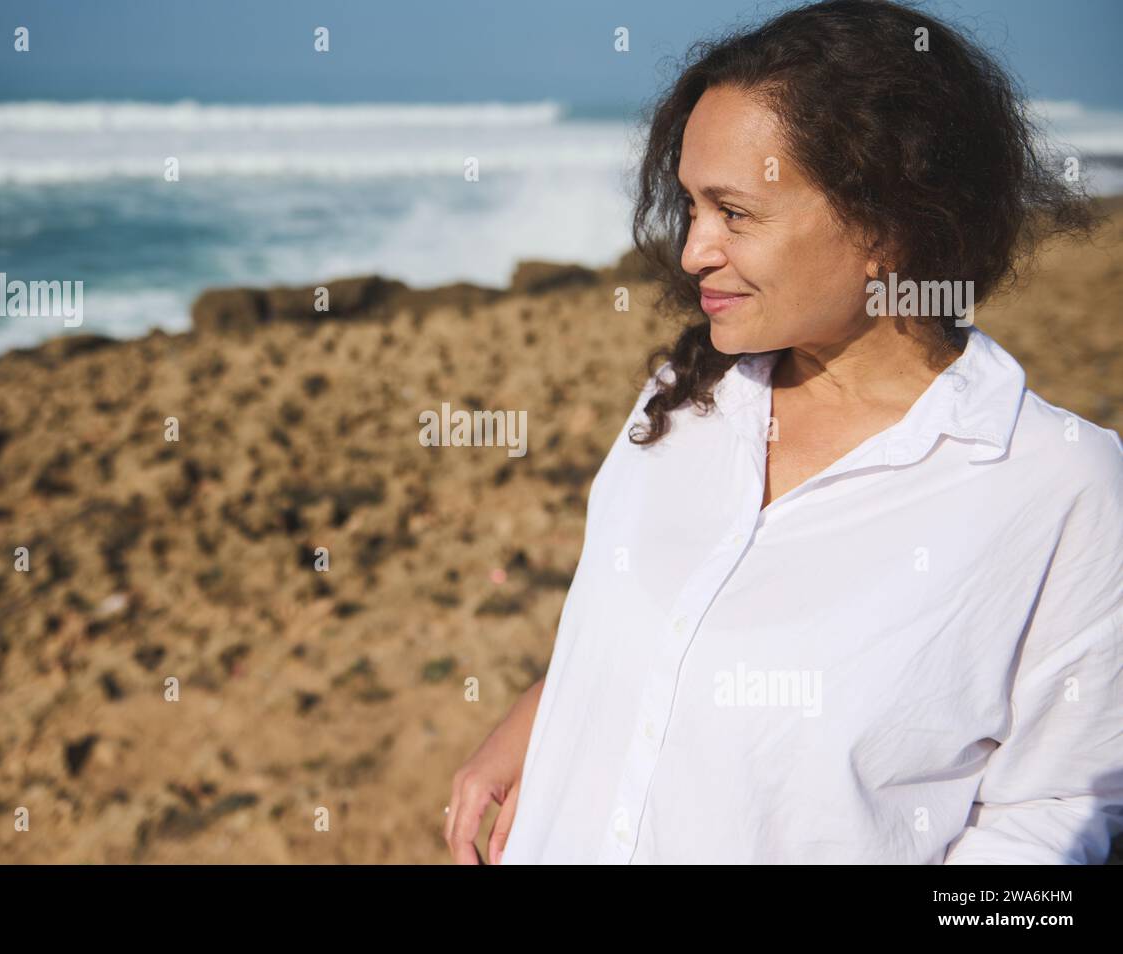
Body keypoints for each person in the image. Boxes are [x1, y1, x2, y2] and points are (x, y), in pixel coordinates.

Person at [445, 0, 1122, 864]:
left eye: (735, 212)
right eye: (691, 206)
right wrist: (539, 716)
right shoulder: (682, 403)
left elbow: (1055, 812)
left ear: (886, 222)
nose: (693, 251)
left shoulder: (1060, 487)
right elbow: (656, 629)